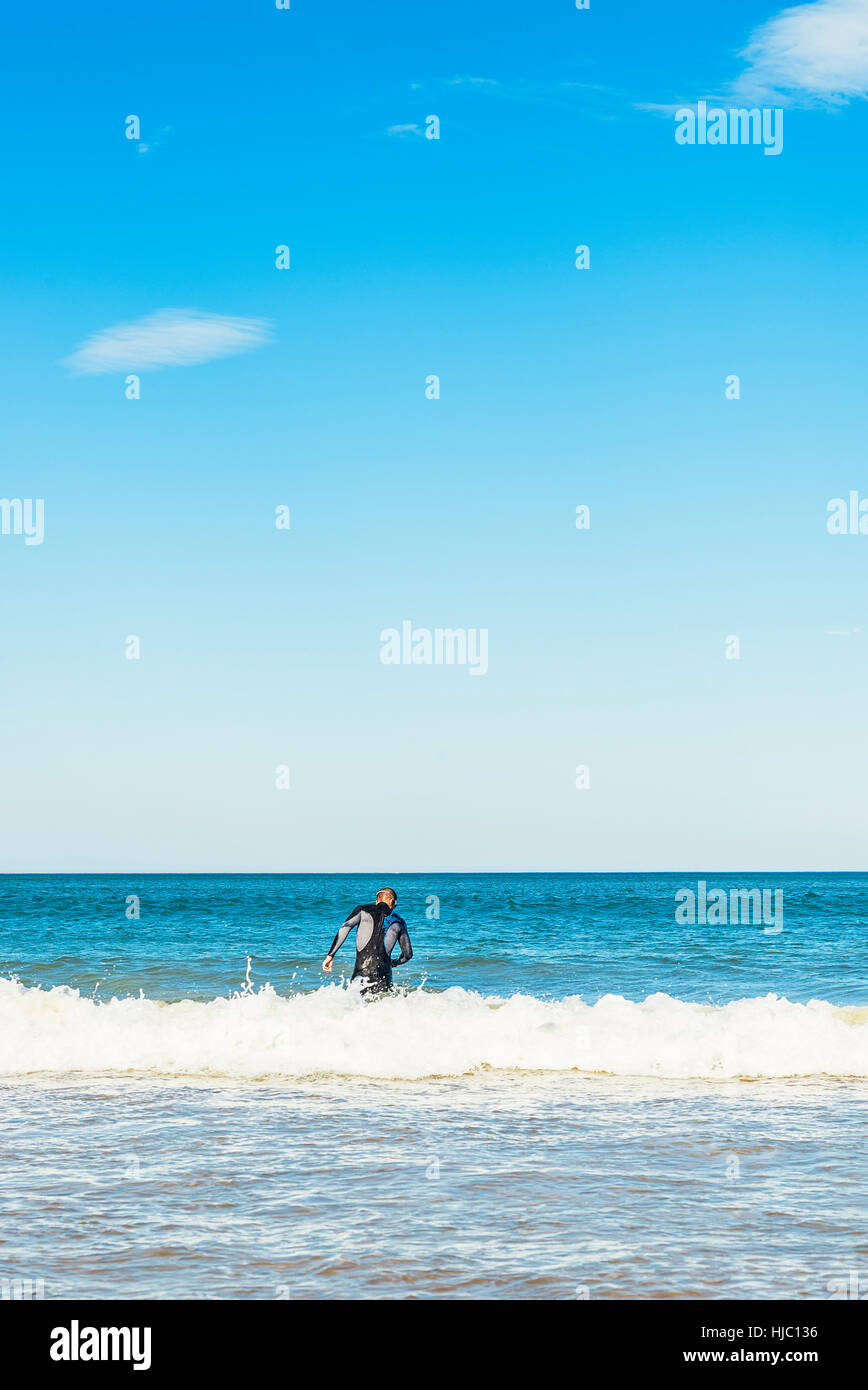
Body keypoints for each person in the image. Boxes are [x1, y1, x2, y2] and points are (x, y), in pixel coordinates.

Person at [322, 887, 412, 994]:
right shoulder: (399, 921)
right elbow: (408, 954)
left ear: (377, 900)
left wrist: (330, 955)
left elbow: (345, 927)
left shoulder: (362, 910)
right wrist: (395, 962)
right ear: (392, 902)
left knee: (357, 1007)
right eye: (395, 905)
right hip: (384, 977)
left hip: (361, 975)